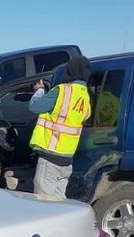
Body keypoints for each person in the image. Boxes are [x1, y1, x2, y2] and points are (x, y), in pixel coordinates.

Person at [28, 54, 92, 200]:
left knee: (44, 204)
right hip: (67, 159)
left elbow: (35, 106)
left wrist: (39, 90)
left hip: (51, 156)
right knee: (59, 205)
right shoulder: (85, 95)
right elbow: (86, 116)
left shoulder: (63, 90)